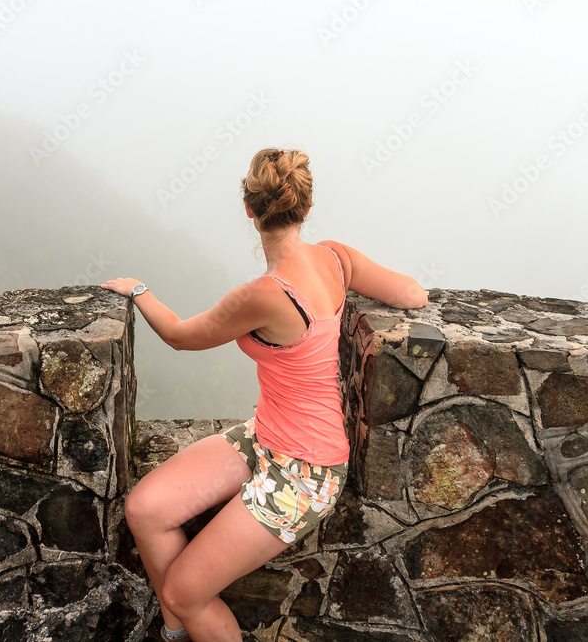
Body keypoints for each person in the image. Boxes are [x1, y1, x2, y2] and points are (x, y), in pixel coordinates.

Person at [101, 147, 428, 642]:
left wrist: (139, 290)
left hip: (307, 471)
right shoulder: (336, 259)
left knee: (184, 591)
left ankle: (181, 613)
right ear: (307, 208)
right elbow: (412, 295)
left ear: (249, 210)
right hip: (265, 437)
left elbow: (180, 336)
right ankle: (179, 625)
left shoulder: (262, 295)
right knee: (144, 510)